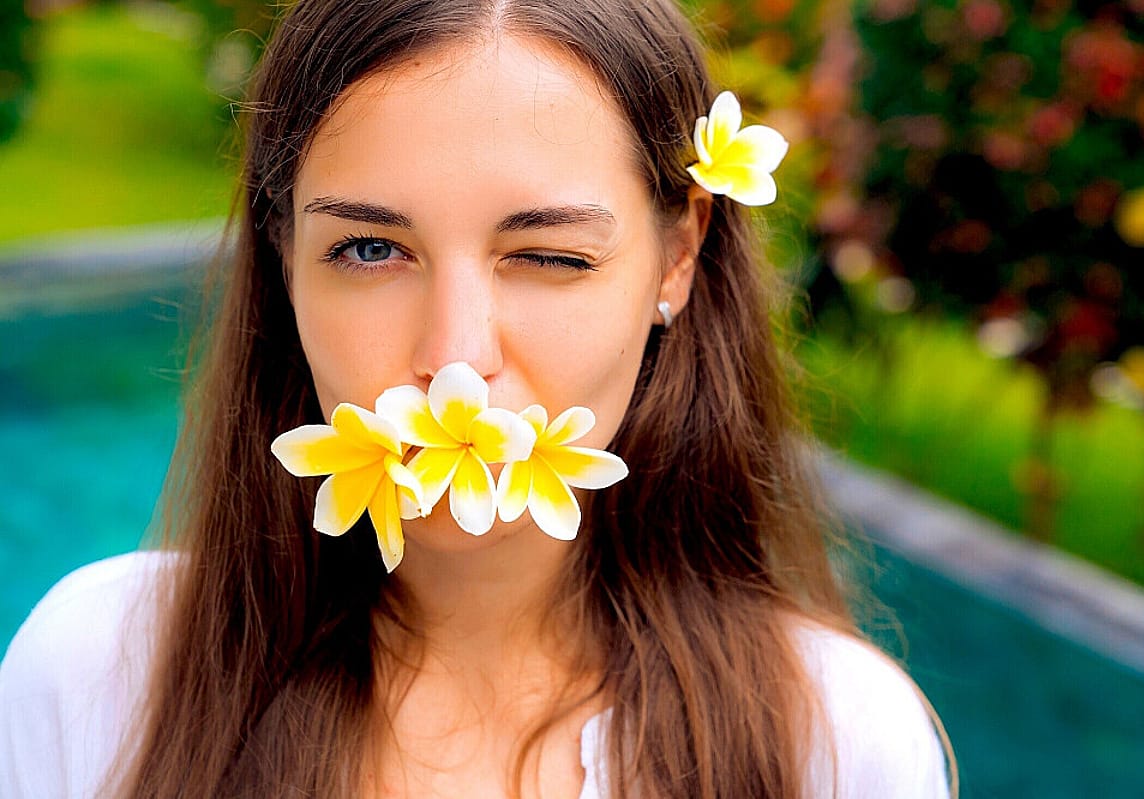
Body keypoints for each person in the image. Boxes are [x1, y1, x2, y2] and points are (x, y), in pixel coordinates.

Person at [0, 0, 955, 796]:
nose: (454, 363)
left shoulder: (834, 745)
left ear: (679, 254)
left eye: (548, 256)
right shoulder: (99, 677)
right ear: (284, 256)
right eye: (370, 249)